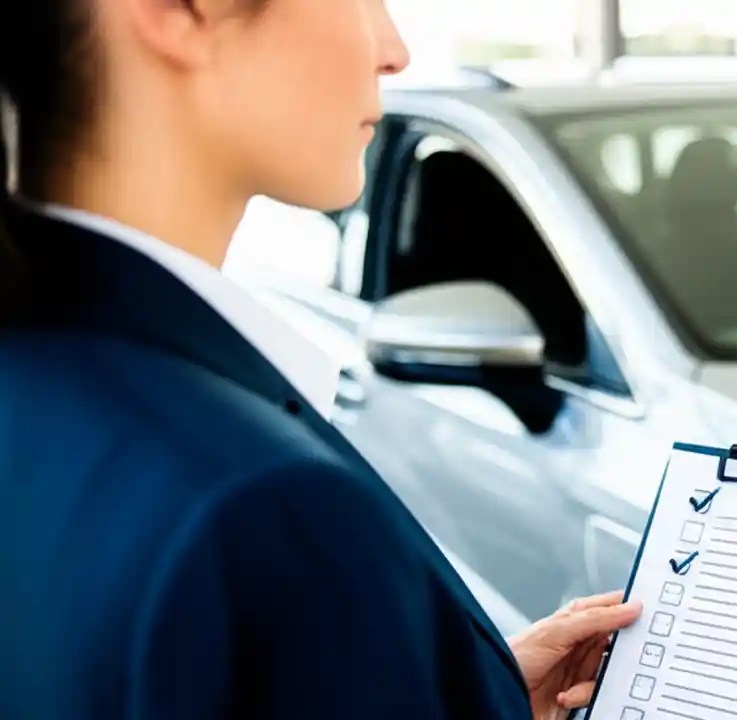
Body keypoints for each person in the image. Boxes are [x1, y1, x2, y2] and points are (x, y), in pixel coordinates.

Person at [0, 1, 640, 718]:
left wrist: (459, 694)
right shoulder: (266, 506)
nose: (394, 50)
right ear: (178, 11)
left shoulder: (38, 371)